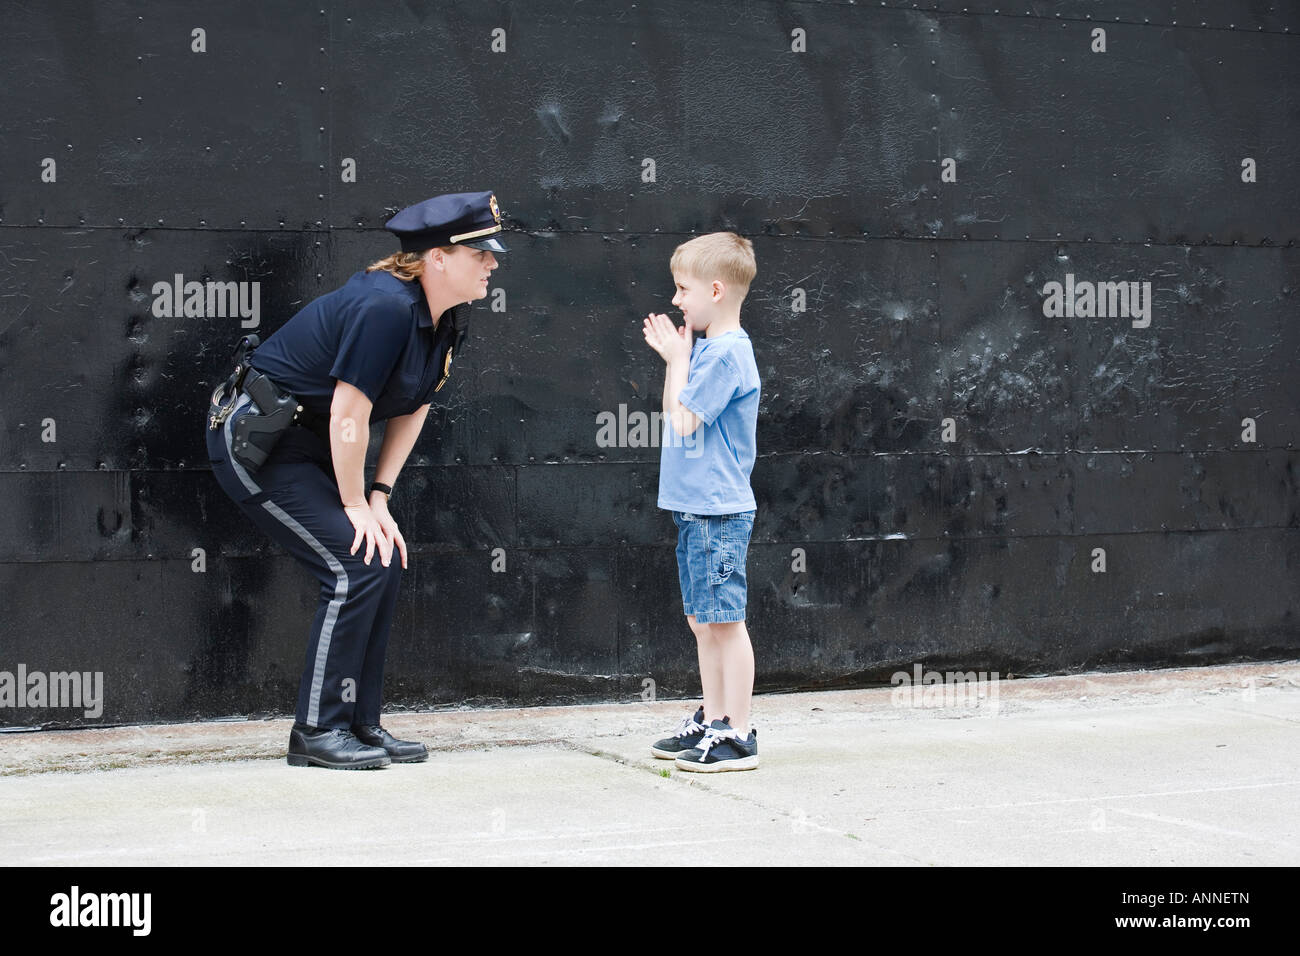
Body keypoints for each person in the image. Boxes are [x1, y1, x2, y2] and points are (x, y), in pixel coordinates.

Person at [204, 191, 508, 769]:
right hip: (260, 446)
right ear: (437, 259)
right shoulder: (384, 307)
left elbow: (413, 406)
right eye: (480, 254)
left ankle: (359, 724)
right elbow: (349, 414)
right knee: (356, 561)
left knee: (382, 557)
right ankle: (317, 731)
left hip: (317, 448)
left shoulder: (446, 316)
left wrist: (379, 496)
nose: (492, 263)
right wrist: (351, 504)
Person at [641, 232, 761, 772]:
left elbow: (683, 420)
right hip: (697, 509)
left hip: (718, 510)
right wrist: (683, 356)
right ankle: (712, 719)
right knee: (702, 620)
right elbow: (682, 418)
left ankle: (737, 731)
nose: (676, 300)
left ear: (715, 290)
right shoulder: (709, 350)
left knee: (725, 621)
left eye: (682, 289)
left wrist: (674, 359)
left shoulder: (728, 354)